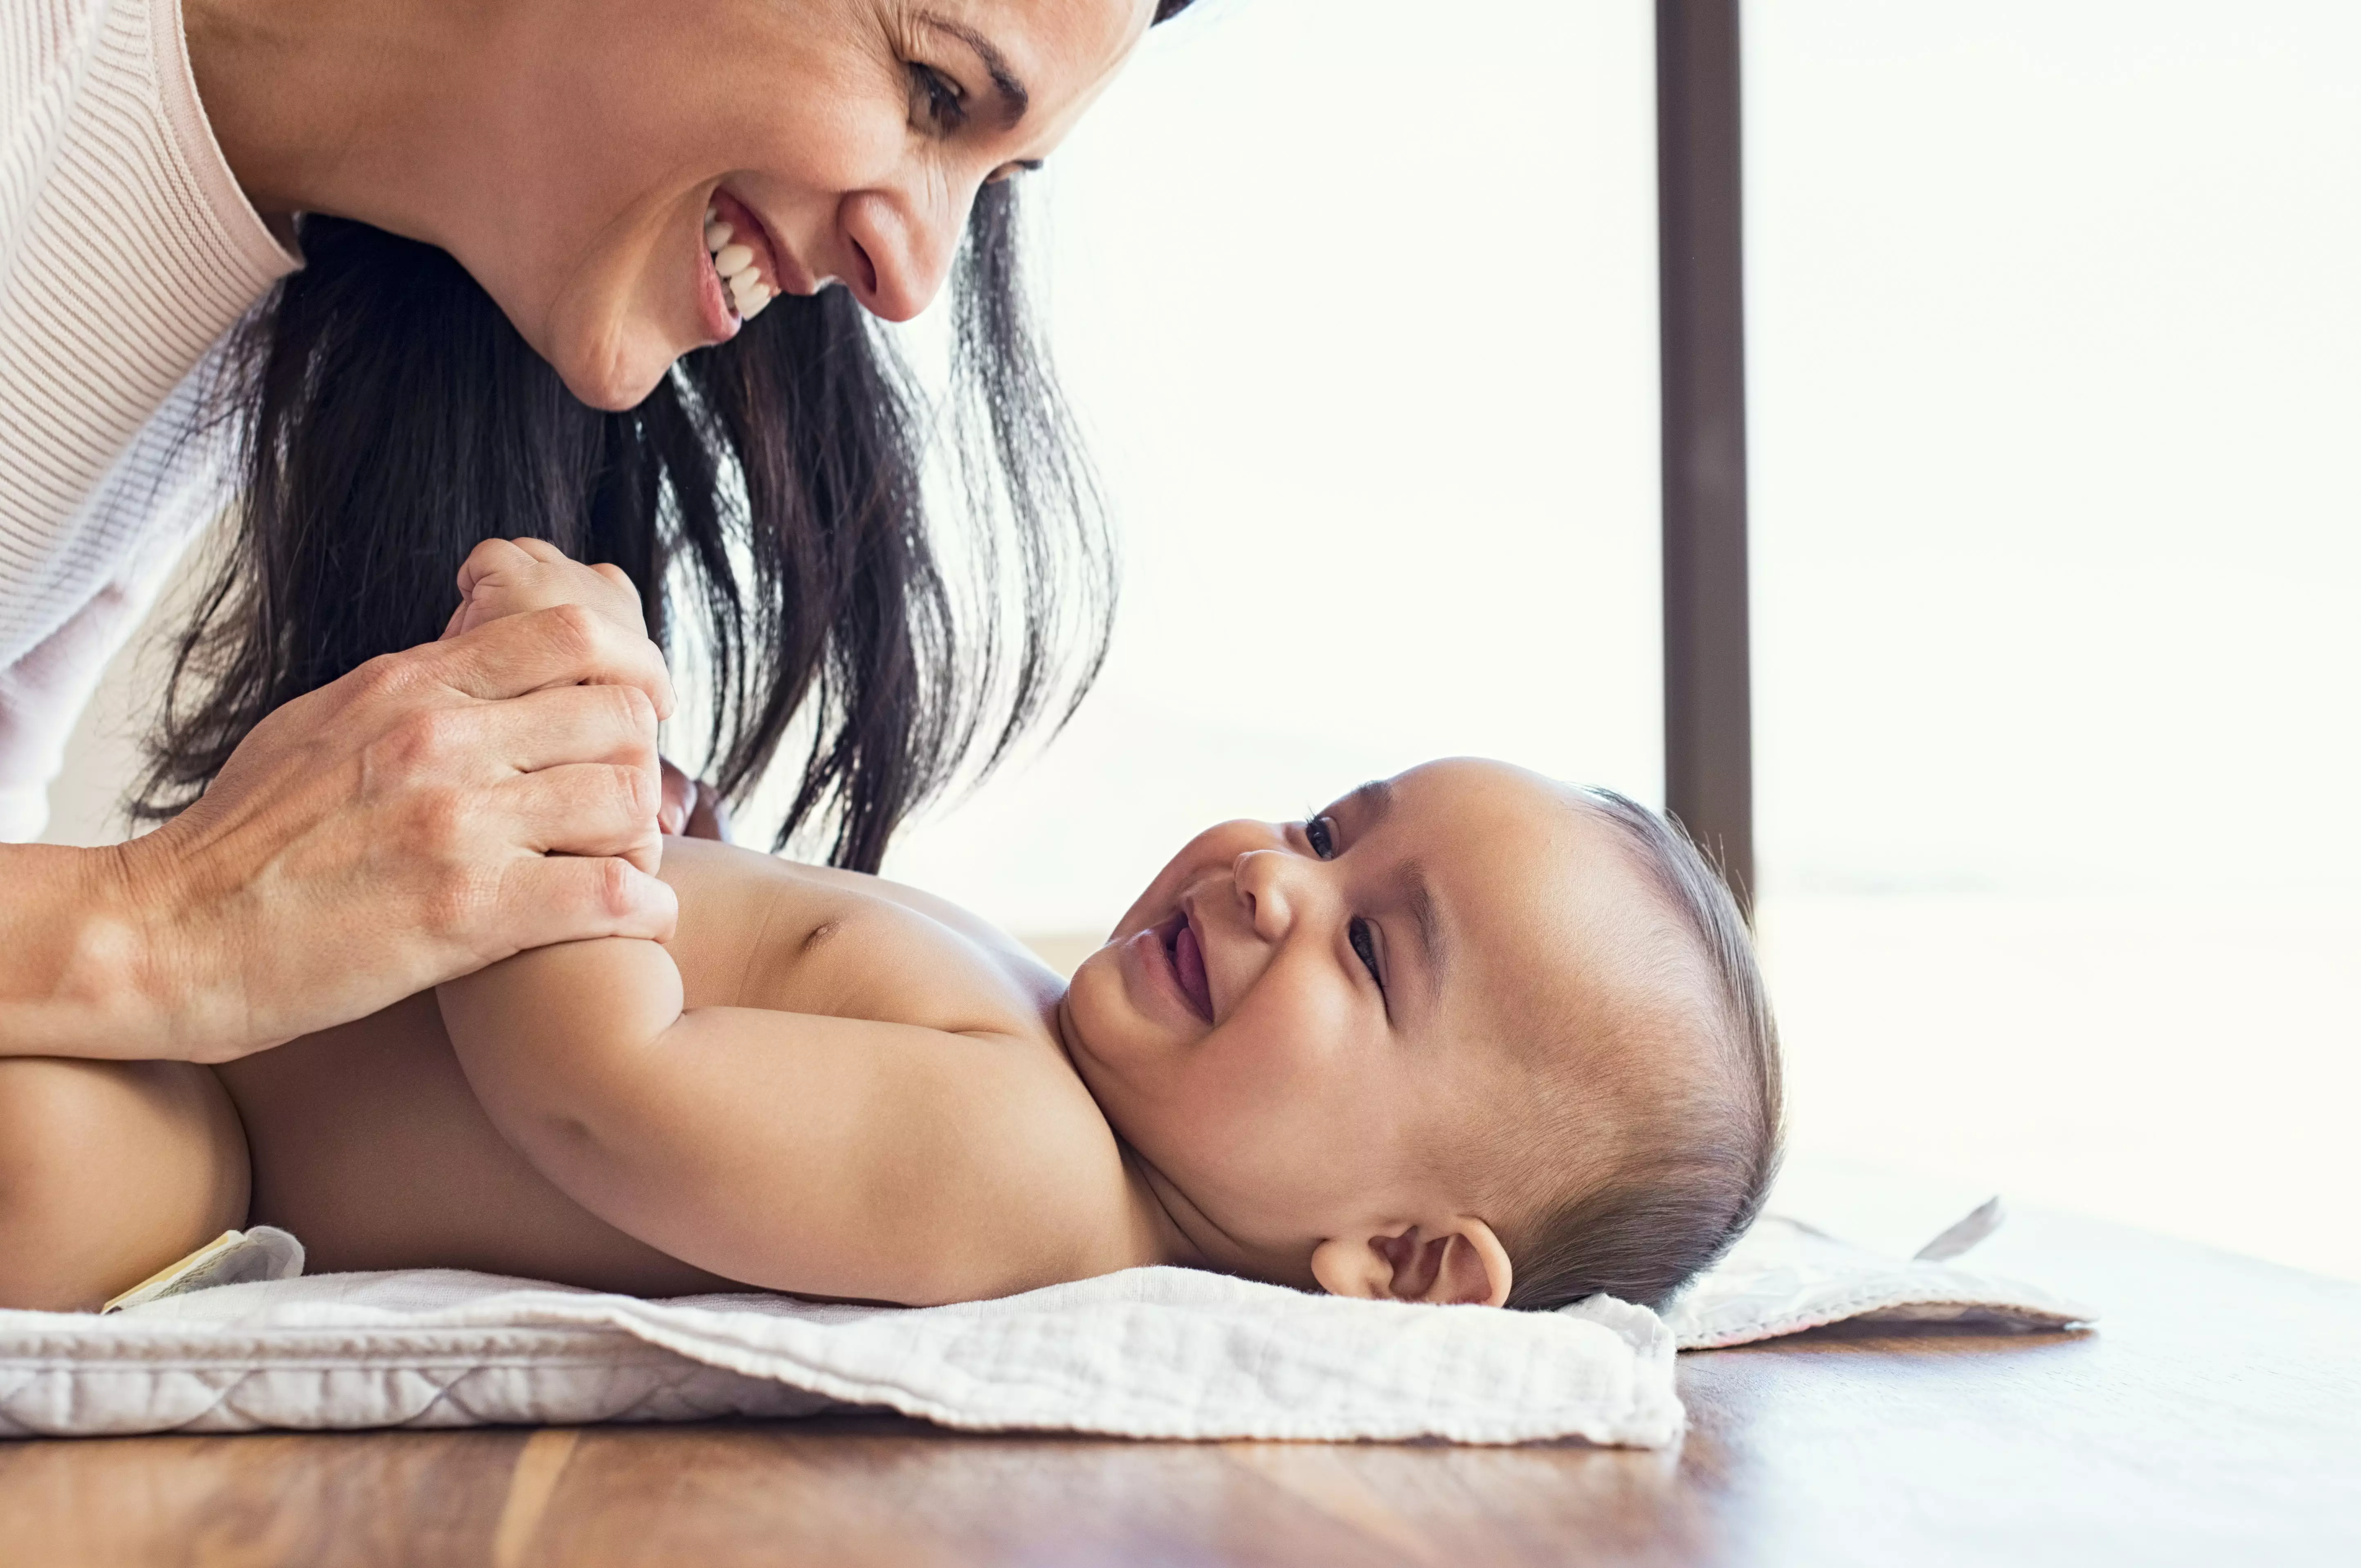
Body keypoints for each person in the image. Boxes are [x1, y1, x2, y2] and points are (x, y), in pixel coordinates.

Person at [0, 547, 1784, 1313]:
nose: (1271, 880)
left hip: (220, 1146)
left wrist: (568, 757)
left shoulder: (1032, 1171)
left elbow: (600, 1091)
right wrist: (695, 849)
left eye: (1371, 952)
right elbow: (748, 969)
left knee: (44, 1158)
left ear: (1401, 1264)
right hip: (233, 1024)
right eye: (1329, 829)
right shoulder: (1044, 1050)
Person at [0, 0, 1190, 1069]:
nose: (915, 281)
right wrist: (171, 925)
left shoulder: (244, 293)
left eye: (996, 178)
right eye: (934, 91)